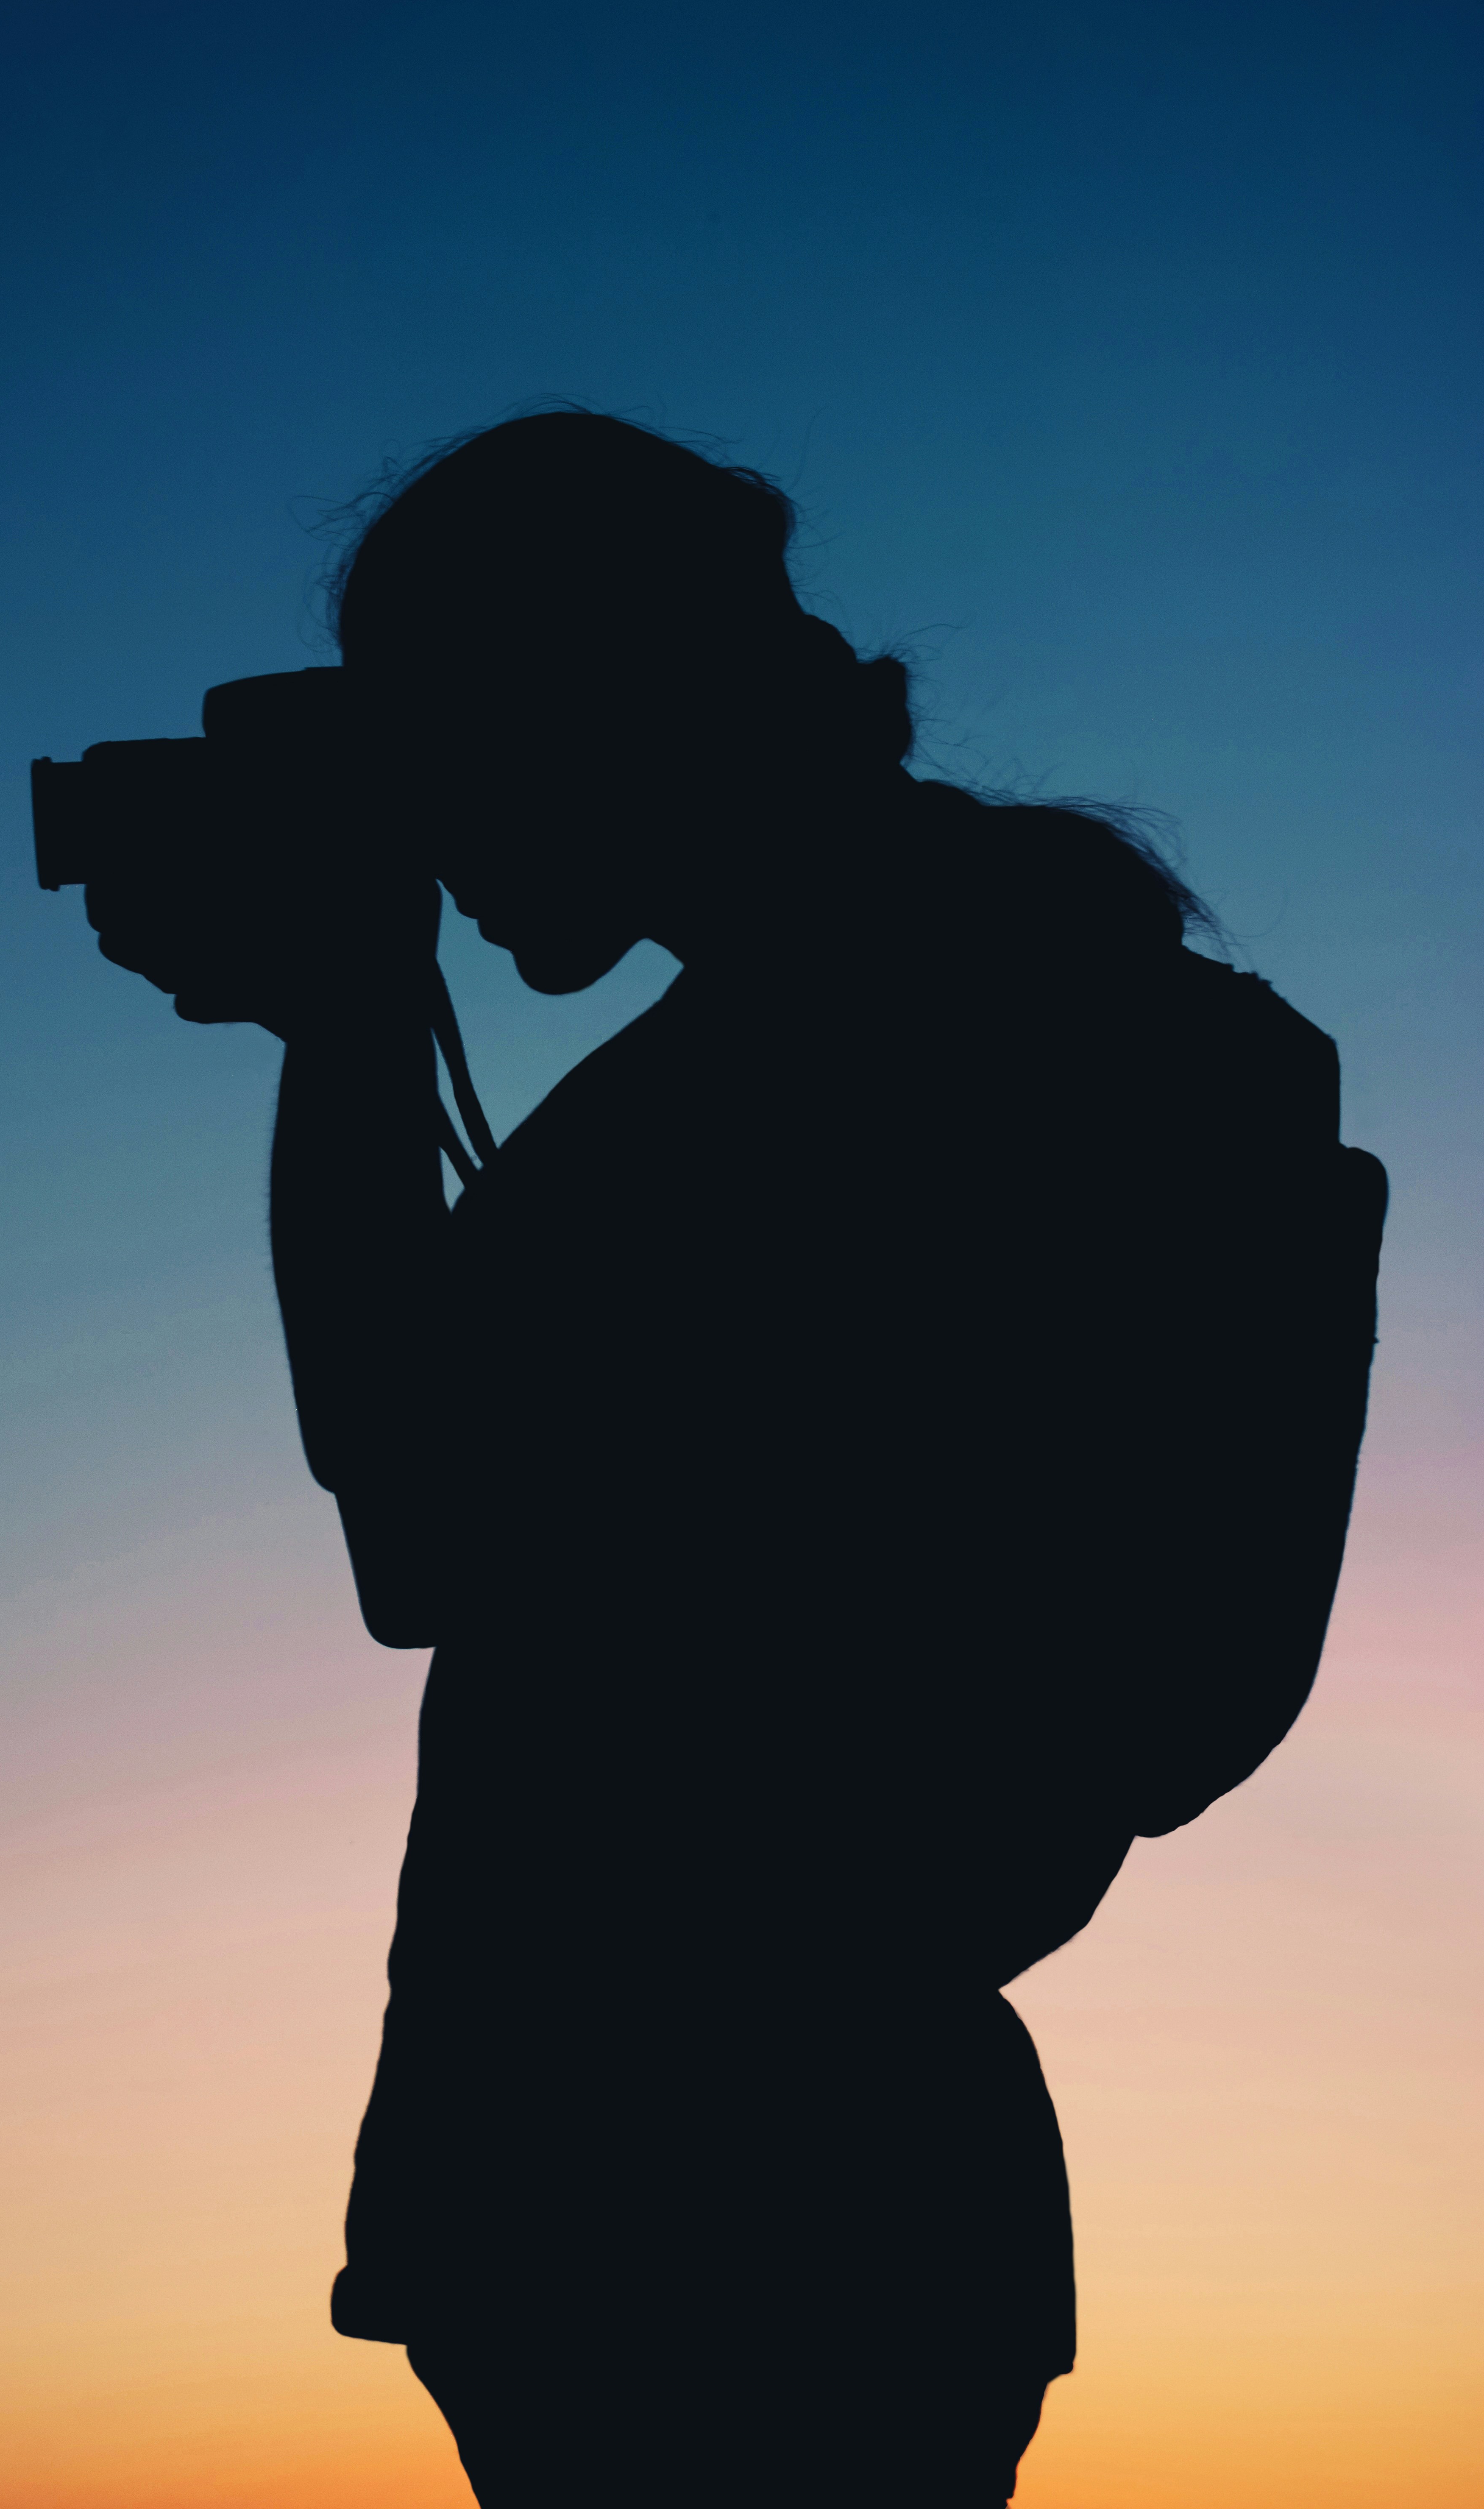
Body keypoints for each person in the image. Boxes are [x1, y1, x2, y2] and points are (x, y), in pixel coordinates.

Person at [87, 409, 1387, 2504]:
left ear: (584, 715)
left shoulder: (885, 1055)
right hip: (757, 2192)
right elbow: (438, 1503)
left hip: (719, 2204)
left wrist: (344, 1032)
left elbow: (426, 1529)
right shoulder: (907, 1025)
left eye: (440, 751)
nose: (427, 831)